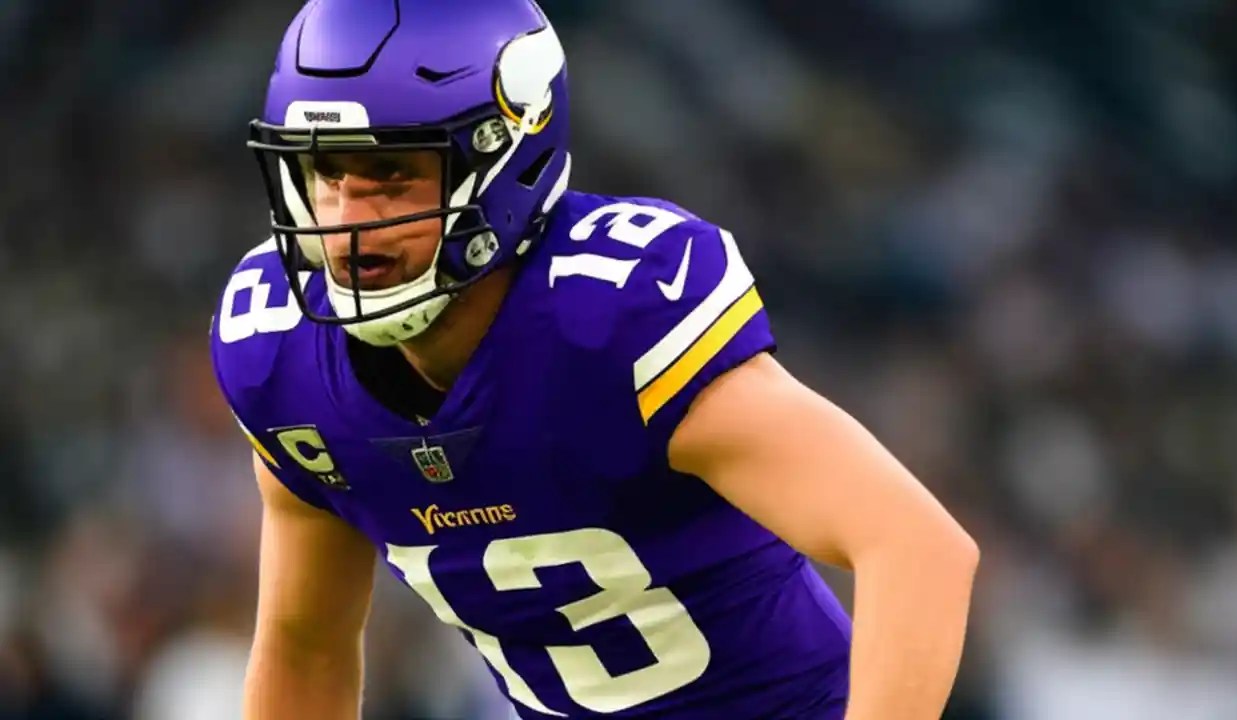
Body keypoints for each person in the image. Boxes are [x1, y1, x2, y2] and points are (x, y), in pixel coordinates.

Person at [210, 1, 980, 718]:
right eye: (326, 173)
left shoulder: (609, 321)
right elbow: (303, 648)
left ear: (505, 160)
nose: (351, 222)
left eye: (391, 175)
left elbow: (918, 549)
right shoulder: (281, 359)